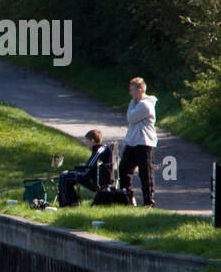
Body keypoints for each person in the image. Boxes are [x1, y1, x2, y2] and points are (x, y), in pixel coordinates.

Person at [120, 76, 157, 207]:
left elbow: (131, 118)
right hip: (132, 143)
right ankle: (127, 198)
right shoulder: (134, 103)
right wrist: (132, 104)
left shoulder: (145, 105)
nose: (130, 93)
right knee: (124, 170)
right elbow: (130, 117)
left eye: (132, 90)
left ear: (140, 89)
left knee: (145, 173)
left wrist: (131, 105)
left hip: (144, 143)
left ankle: (149, 202)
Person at [57, 129, 112, 207]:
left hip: (93, 180)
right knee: (67, 176)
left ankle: (65, 205)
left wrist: (73, 171)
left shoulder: (97, 151)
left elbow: (88, 170)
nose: (86, 144)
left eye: (87, 141)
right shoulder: (101, 149)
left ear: (92, 141)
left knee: (64, 177)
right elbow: (91, 166)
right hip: (95, 177)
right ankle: (72, 202)